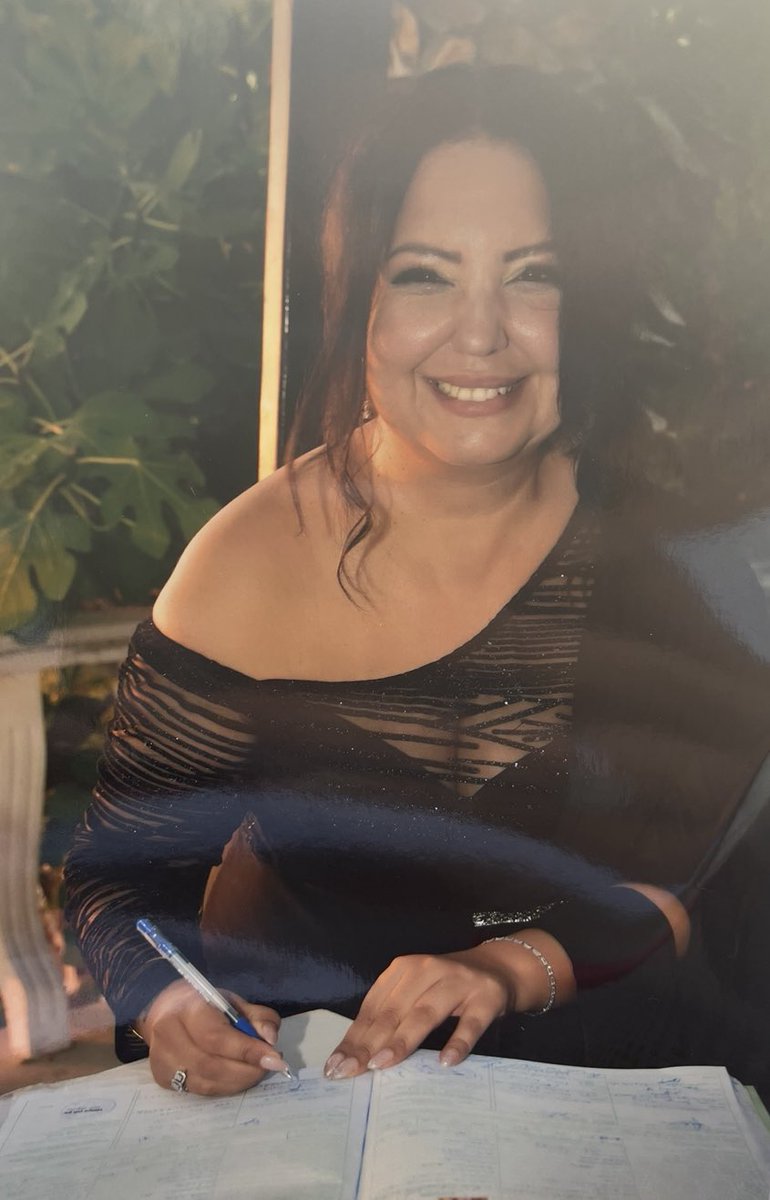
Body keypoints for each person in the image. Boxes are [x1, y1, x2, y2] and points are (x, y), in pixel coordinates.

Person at [64, 65, 770, 1098]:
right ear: (359, 297)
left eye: (531, 275)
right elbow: (116, 882)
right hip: (317, 1105)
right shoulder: (245, 566)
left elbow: (708, 882)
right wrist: (169, 999)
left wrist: (509, 966)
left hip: (618, 1095)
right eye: (426, 275)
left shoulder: (670, 546)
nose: (479, 333)